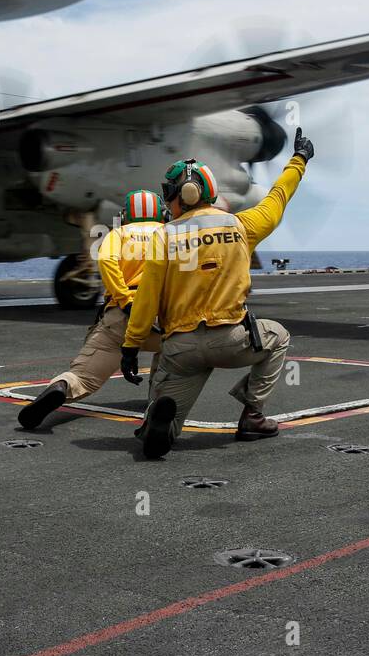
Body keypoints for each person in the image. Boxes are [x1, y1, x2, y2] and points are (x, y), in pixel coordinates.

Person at [120, 128, 314, 458]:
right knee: (278, 336)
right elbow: (276, 198)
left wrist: (130, 346)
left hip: (181, 350)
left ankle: (161, 423)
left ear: (184, 194)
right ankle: (252, 416)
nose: (167, 200)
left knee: (165, 422)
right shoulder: (241, 225)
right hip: (231, 341)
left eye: (169, 193)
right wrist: (299, 160)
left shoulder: (164, 237)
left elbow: (147, 298)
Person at [19, 191, 168, 429]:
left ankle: (62, 387)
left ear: (127, 214)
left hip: (120, 318)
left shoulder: (116, 234)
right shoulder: (172, 235)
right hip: (163, 319)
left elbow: (107, 262)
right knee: (172, 353)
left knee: (83, 377)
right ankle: (160, 398)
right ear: (160, 212)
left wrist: (125, 298)